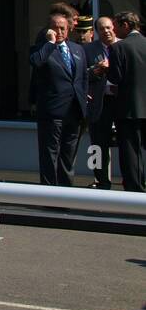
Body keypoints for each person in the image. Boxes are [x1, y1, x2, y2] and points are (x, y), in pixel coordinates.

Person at [29, 10, 87, 186]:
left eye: (62, 28)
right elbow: (36, 62)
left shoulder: (77, 49)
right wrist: (50, 43)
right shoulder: (42, 48)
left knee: (68, 156)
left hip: (74, 111)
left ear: (68, 29)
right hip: (53, 111)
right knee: (50, 155)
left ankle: (66, 192)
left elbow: (83, 77)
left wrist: (83, 99)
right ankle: (50, 195)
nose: (59, 31)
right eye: (55, 28)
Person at [108, 11, 145, 193]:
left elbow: (115, 77)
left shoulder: (118, 48)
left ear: (125, 25)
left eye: (115, 26)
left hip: (128, 108)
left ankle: (134, 188)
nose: (113, 30)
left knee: (130, 151)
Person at [84, 17, 116, 188]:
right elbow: (81, 76)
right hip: (99, 103)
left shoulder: (123, 46)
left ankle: (132, 181)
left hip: (120, 103)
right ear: (97, 31)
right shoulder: (88, 50)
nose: (106, 31)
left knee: (127, 143)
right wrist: (96, 70)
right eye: (102, 29)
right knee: (97, 145)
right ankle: (99, 180)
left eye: (109, 27)